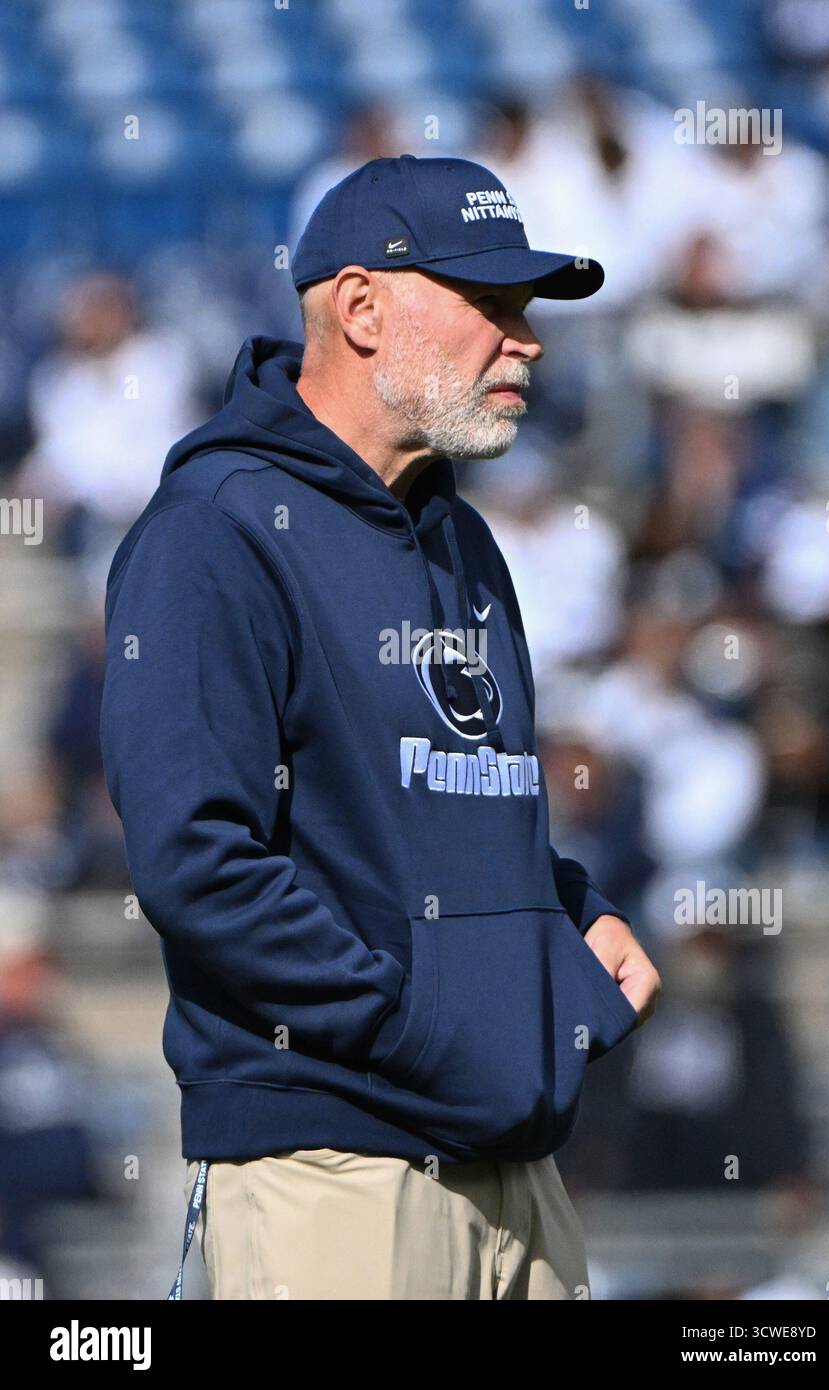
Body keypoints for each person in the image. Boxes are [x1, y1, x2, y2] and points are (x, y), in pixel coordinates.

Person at [99, 154, 661, 1301]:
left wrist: (567, 921)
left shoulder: (460, 541)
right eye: (490, 305)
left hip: (518, 1170)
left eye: (527, 309)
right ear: (359, 307)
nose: (527, 340)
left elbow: (443, 814)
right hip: (335, 1174)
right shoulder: (213, 532)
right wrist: (426, 1025)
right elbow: (197, 862)